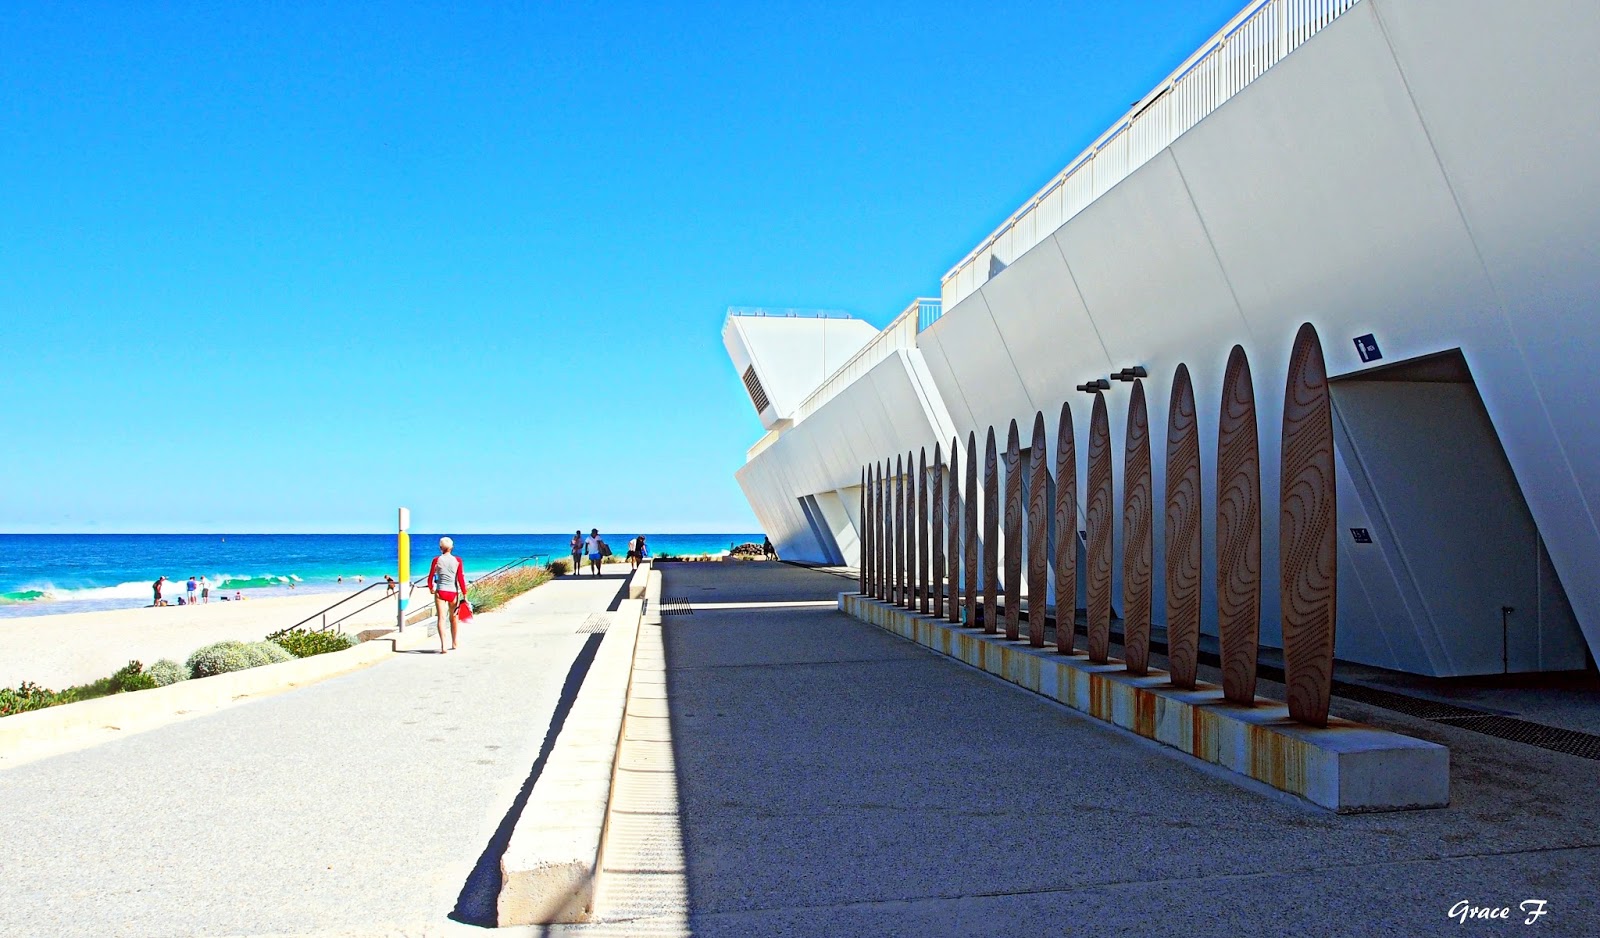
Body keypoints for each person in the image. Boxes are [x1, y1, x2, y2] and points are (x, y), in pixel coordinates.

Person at [426, 536, 469, 654]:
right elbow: (460, 578)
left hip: (440, 591)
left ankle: (443, 646)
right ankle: (455, 643)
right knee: (454, 618)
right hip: (453, 592)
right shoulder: (458, 560)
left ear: (440, 547)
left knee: (441, 619)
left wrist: (431, 588)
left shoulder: (436, 560)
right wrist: (465, 593)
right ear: (452, 548)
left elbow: (430, 577)